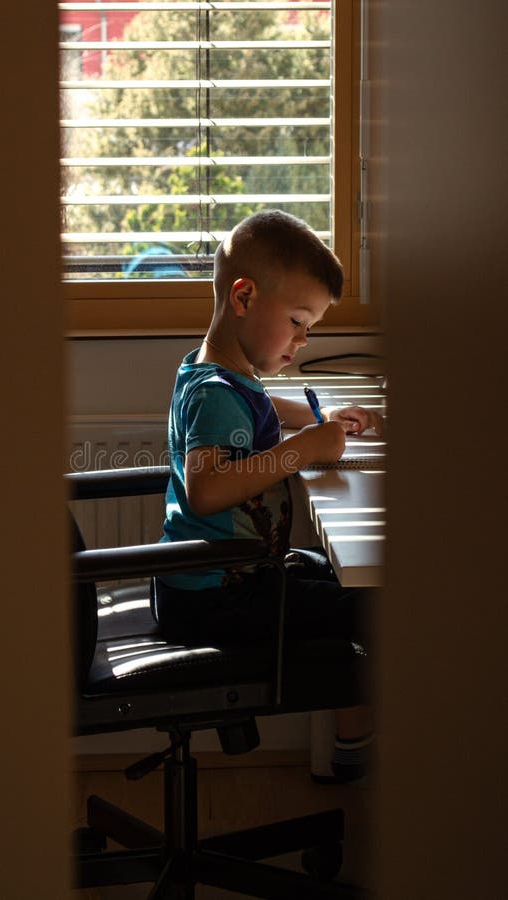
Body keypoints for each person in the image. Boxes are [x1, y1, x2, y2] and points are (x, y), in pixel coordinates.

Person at [152, 209, 383, 782]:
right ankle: (355, 752)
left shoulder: (217, 374)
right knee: (367, 607)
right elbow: (207, 490)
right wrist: (302, 449)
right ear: (244, 297)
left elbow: (259, 407)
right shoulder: (214, 393)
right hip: (214, 595)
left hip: (221, 578)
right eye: (298, 321)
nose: (303, 340)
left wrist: (323, 418)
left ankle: (354, 740)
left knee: (336, 574)